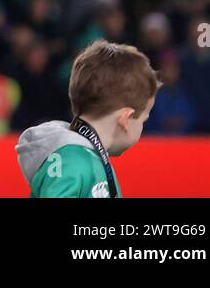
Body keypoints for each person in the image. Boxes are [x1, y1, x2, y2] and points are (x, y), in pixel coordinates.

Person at [15, 40, 160, 198]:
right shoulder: (75, 162)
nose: (141, 127)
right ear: (126, 118)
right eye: (143, 121)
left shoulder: (87, 158)